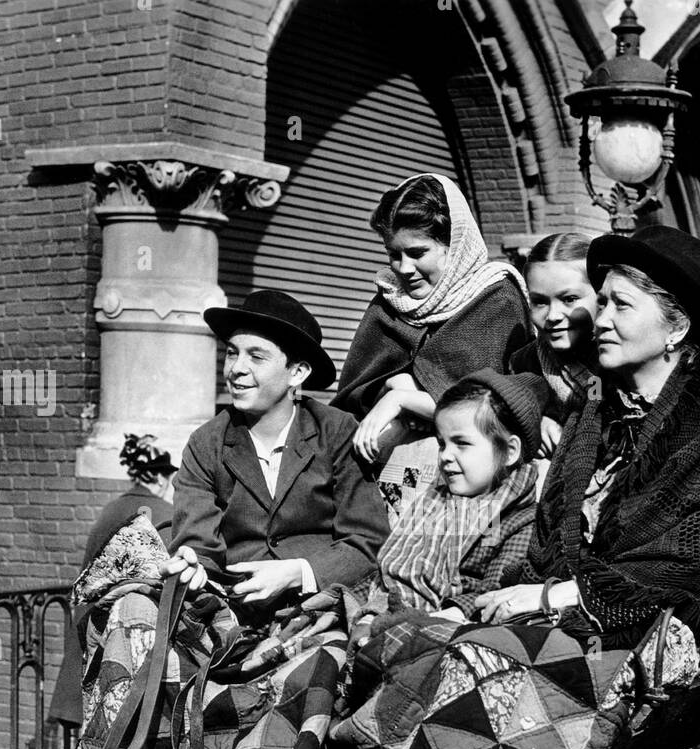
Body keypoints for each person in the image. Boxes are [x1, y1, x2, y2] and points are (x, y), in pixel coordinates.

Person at [477, 225, 700, 749]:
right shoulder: (592, 408)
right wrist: (532, 598)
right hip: (579, 633)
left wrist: (556, 597)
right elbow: (548, 536)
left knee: (496, 700)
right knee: (443, 653)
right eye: (601, 301)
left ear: (676, 329)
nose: (599, 319)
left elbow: (692, 565)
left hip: (670, 643)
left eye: (620, 305)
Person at [163, 290, 389, 606]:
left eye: (256, 357)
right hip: (235, 612)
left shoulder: (336, 432)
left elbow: (367, 542)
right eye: (231, 353)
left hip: (320, 609)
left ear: (297, 373)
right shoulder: (206, 442)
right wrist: (195, 563)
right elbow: (197, 541)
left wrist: (299, 572)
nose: (236, 369)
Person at [330, 173, 530, 518]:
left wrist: (403, 398)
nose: (404, 268)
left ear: (454, 245)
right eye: (394, 254)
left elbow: (496, 408)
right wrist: (392, 385)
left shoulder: (497, 299)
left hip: (472, 483)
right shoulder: (388, 303)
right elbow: (355, 394)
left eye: (418, 252)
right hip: (376, 471)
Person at [374, 370, 547, 618]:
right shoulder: (433, 500)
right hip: (385, 608)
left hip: (450, 622)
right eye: (442, 443)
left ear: (509, 451)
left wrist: (447, 614)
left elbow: (495, 591)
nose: (445, 455)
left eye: (462, 443)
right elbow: (389, 566)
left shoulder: (522, 521)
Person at [48, 433, 179, 738]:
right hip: (134, 634)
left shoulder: (109, 511)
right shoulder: (165, 514)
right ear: (160, 478)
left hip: (92, 627)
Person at [507, 232, 599, 457]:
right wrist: (536, 421)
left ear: (601, 294)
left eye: (569, 299)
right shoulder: (525, 363)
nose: (553, 315)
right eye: (539, 302)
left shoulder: (619, 359)